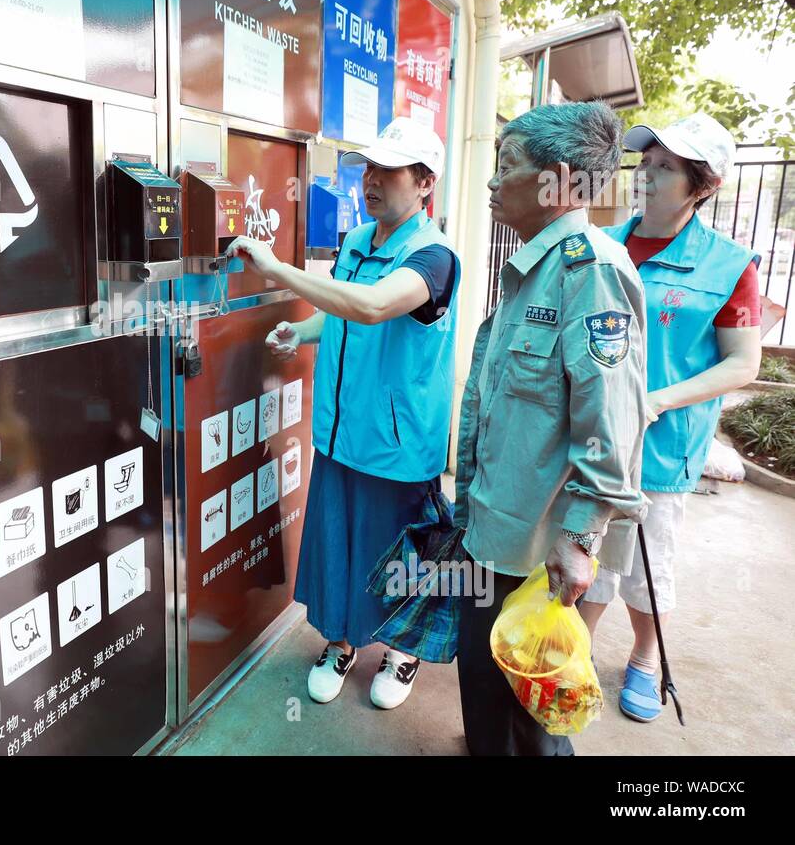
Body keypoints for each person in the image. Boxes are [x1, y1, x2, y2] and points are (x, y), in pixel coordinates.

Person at [226, 117, 460, 710]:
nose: (372, 181)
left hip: (397, 443)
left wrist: (276, 269)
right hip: (338, 434)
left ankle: (401, 654)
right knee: (340, 548)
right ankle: (341, 643)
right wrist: (302, 330)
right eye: (370, 169)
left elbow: (374, 306)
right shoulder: (358, 243)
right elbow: (341, 314)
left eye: (390, 171)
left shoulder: (434, 259)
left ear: (425, 182)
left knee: (398, 556)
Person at [454, 102, 648, 755]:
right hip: (494, 529)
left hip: (536, 554)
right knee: (487, 696)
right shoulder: (535, 267)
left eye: (507, 166)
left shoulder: (588, 272)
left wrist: (581, 538)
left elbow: (610, 416)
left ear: (557, 182)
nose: (492, 182)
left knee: (531, 712)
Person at [580, 113, 761, 722]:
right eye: (644, 163)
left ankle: (645, 656)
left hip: (661, 446)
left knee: (647, 564)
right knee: (587, 548)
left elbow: (740, 364)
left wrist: (659, 401)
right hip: (591, 437)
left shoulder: (728, 265)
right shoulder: (602, 245)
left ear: (701, 186)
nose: (645, 176)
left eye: (665, 168)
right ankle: (572, 650)